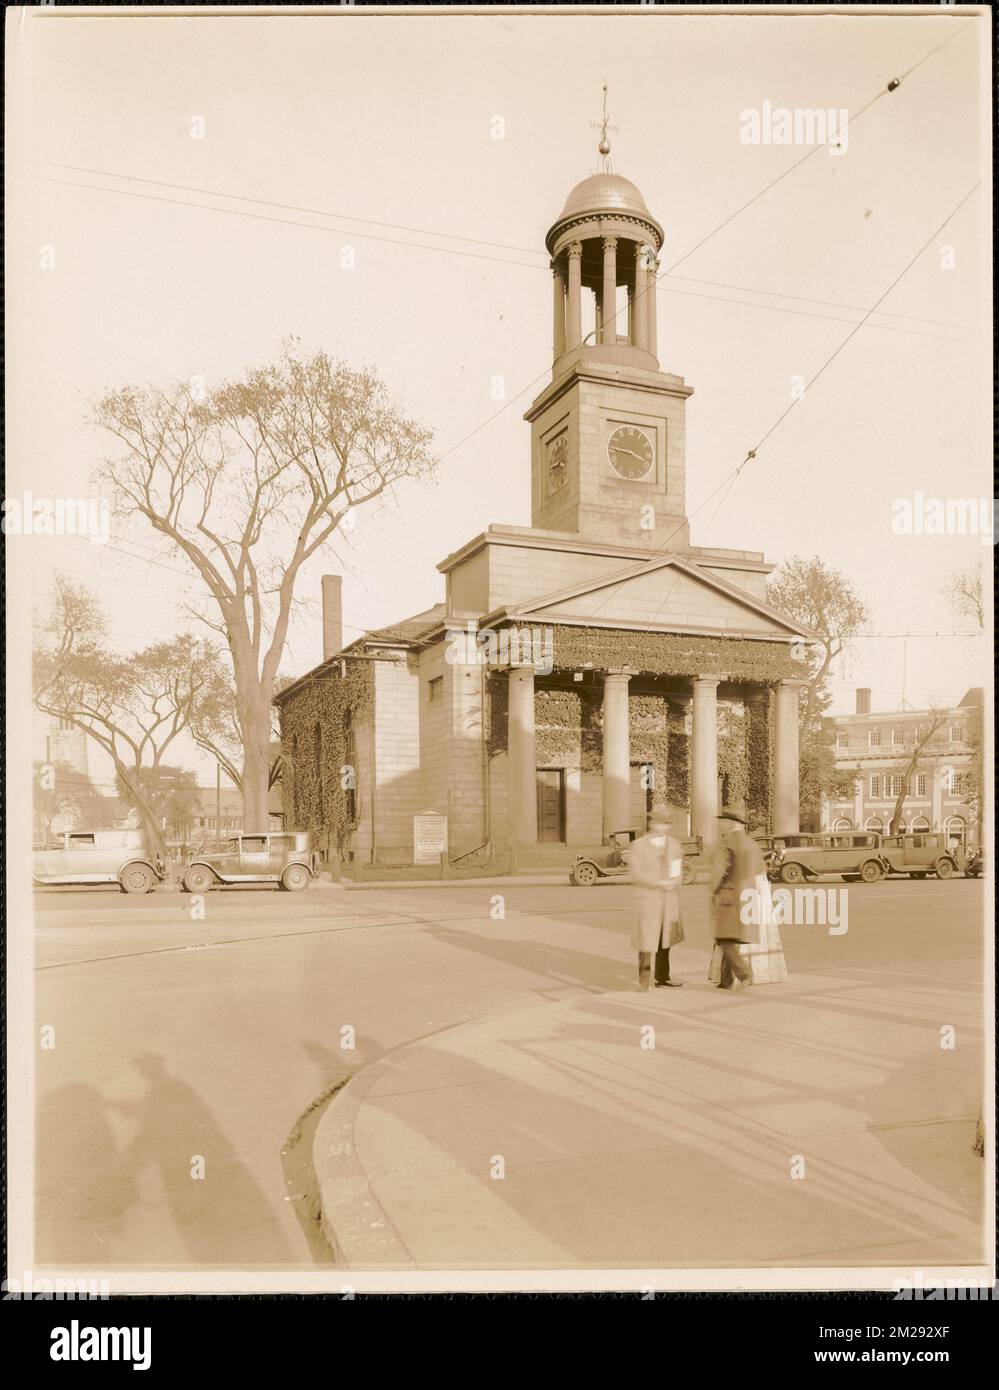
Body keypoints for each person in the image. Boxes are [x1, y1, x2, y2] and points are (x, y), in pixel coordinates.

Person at [708, 803, 764, 992]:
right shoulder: (753, 844)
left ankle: (744, 974)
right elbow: (758, 870)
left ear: (732, 823)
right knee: (733, 939)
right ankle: (726, 980)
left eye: (723, 821)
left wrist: (712, 891)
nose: (720, 824)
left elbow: (718, 871)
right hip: (749, 896)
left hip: (729, 897)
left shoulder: (726, 843)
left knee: (724, 939)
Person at [629, 807, 685, 992]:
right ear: (652, 823)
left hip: (668, 900)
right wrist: (660, 882)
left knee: (665, 939)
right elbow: (637, 874)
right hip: (648, 900)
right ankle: (643, 981)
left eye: (667, 824)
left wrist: (675, 880)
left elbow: (678, 871)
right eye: (661, 823)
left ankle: (662, 977)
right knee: (646, 942)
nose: (664, 828)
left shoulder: (675, 846)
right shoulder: (638, 845)